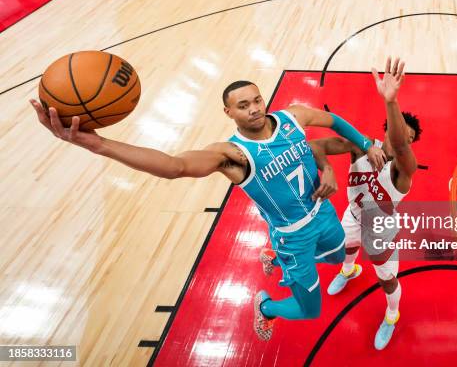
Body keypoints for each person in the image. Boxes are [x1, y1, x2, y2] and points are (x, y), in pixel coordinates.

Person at [29, 80, 386, 341]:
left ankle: (271, 257)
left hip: (323, 215)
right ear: (228, 112)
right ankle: (265, 307)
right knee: (311, 311)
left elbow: (333, 123)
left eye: (257, 100)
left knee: (338, 254)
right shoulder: (232, 155)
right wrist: (99, 144)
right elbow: (174, 165)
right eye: (243, 105)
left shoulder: (293, 118)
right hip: (292, 236)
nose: (254, 108)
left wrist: (363, 145)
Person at [309, 57, 422, 350]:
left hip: (381, 229)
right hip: (353, 214)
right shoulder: (360, 147)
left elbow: (398, 146)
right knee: (346, 248)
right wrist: (329, 169)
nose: (402, 140)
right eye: (398, 132)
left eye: (409, 139)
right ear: (384, 130)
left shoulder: (403, 171)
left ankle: (392, 314)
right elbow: (315, 147)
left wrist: (391, 100)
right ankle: (349, 271)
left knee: (387, 279)